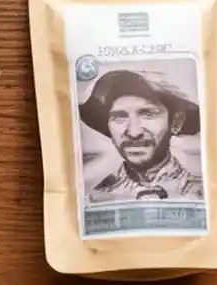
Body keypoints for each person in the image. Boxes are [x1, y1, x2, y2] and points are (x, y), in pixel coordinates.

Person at [78, 69, 203, 203]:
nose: (134, 132)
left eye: (148, 114)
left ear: (176, 122)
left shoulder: (202, 195)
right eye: (119, 117)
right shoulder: (97, 199)